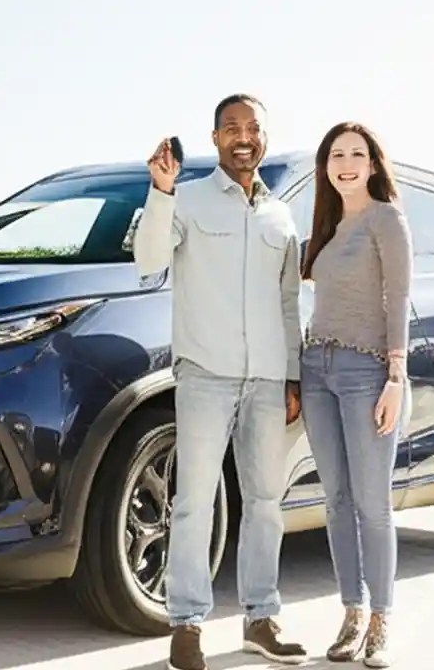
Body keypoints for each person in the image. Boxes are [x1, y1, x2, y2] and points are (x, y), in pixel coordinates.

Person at [133, 94, 308, 670]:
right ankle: (186, 625)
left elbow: (288, 302)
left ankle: (261, 619)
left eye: (253, 128)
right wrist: (160, 190)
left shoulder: (280, 216)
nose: (243, 137)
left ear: (263, 138)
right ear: (215, 139)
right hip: (206, 374)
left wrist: (293, 375)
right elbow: (148, 261)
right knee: (194, 502)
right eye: (232, 127)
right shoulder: (186, 199)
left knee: (265, 502)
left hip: (267, 378)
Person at [298, 121, 412, 668]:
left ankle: (381, 620)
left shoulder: (386, 219)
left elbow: (398, 298)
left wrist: (396, 377)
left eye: (356, 154)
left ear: (372, 164)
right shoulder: (326, 228)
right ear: (326, 166)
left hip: (367, 371)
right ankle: (351, 612)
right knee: (337, 501)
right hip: (316, 370)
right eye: (336, 155)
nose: (346, 164)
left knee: (373, 503)